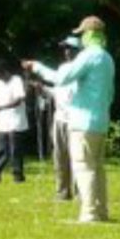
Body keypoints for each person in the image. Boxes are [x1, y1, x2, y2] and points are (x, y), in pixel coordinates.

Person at [26, 16, 115, 222]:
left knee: (84, 168)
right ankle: (101, 211)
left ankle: (90, 214)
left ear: (89, 34)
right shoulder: (107, 58)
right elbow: (110, 92)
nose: (81, 38)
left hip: (83, 123)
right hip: (100, 122)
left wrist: (36, 67)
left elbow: (61, 79)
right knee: (97, 169)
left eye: (82, 33)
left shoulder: (88, 56)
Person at [31, 36, 81, 201]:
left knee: (77, 157)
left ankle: (80, 192)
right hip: (59, 119)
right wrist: (43, 88)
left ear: (78, 51)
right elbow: (58, 93)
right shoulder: (62, 68)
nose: (67, 52)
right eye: (65, 48)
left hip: (76, 120)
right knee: (59, 157)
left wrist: (36, 67)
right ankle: (62, 192)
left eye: (71, 49)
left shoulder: (82, 69)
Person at [0, 59, 29, 183]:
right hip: (3, 122)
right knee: (0, 149)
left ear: (4, 71)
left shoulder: (16, 80)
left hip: (16, 122)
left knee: (15, 151)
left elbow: (19, 100)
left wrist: (1, 107)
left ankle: (18, 177)